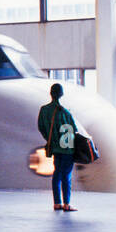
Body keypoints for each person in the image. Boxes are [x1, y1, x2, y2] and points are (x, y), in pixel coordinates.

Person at [37, 83, 79, 212]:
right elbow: (74, 131)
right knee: (66, 176)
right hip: (67, 148)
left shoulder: (44, 110)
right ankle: (67, 204)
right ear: (61, 94)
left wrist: (50, 140)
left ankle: (57, 203)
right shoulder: (65, 112)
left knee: (56, 174)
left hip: (55, 148)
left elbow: (41, 127)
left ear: (50, 93)